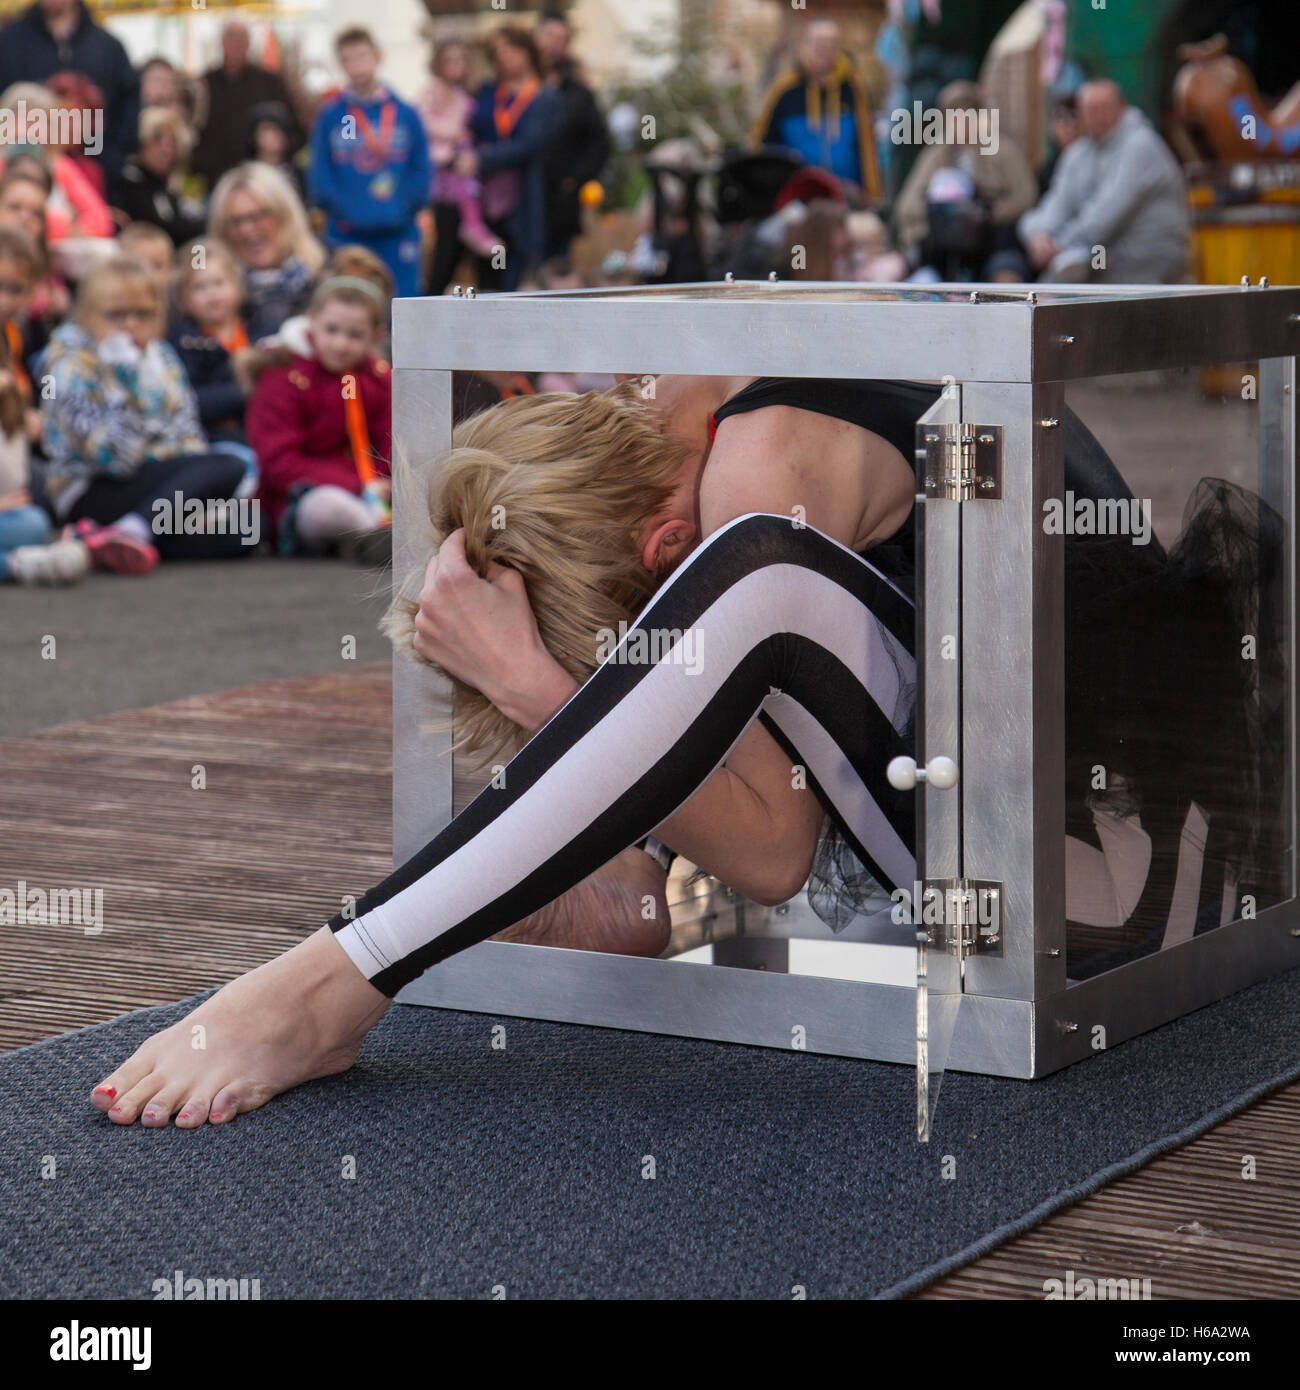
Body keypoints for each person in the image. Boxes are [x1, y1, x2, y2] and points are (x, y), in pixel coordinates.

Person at [87, 357, 1270, 1128]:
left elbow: (769, 853)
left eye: (623, 661)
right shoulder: (704, 399)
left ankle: (332, 979)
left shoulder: (753, 477)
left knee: (764, 584)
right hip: (1089, 882)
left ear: (663, 553)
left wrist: (537, 682)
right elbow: (642, 906)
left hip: (1129, 900)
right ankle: (365, 958)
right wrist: (583, 860)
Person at [39, 252, 254, 570]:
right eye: (116, 315)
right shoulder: (65, 365)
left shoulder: (161, 355)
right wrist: (125, 377)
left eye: (143, 314)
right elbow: (117, 460)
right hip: (91, 488)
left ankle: (113, 541)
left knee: (248, 527)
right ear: (86, 315)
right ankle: (134, 530)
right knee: (229, 464)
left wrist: (183, 475)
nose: (131, 325)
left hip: (160, 483)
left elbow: (188, 434)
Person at [245, 276, 391, 560]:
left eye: (355, 335)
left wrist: (387, 482)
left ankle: (372, 537)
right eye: (332, 330)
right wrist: (357, 483)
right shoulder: (283, 375)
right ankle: (377, 538)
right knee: (327, 506)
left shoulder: (379, 379)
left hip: (373, 491)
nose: (340, 344)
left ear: (377, 336)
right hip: (300, 495)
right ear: (312, 321)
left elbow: (390, 443)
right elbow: (278, 462)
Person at [1017, 79, 1190, 284]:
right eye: (1091, 109)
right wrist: (1038, 235)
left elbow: (1105, 217)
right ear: (1080, 113)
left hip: (1145, 258)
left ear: (1122, 108)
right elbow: (1056, 206)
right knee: (1058, 273)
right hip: (1100, 254)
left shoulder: (1141, 145)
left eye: (1105, 108)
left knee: (1061, 276)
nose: (1098, 116)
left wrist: (1057, 245)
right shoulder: (1078, 153)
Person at [307, 27, 430, 300]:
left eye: (362, 56)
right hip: (347, 234)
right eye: (347, 59)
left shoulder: (405, 113)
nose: (356, 65)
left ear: (377, 57)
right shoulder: (330, 115)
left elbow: (421, 168)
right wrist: (343, 210)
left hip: (398, 232)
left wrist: (403, 208)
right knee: (350, 303)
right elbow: (319, 172)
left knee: (403, 304)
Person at [0, 223, 88, 584]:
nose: (2, 298)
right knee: (33, 521)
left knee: (35, 514)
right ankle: (17, 565)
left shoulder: (13, 336)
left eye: (14, 289)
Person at [892, 80, 1038, 280]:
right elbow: (907, 207)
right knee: (923, 281)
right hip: (945, 251)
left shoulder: (1003, 150)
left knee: (1006, 276)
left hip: (994, 243)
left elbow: (1026, 195)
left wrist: (990, 213)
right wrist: (942, 216)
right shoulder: (935, 156)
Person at [0, 0, 140, 197]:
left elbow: (127, 114)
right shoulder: (8, 43)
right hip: (17, 180)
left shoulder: (108, 48)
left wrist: (109, 162)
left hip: (98, 183)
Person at [463, 25, 563, 292]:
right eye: (498, 51)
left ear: (528, 51)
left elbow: (531, 144)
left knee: (519, 273)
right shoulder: (487, 92)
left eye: (512, 49)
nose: (505, 56)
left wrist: (482, 159)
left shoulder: (545, 97)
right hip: (486, 197)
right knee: (487, 273)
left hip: (525, 198)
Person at [752, 18, 882, 204]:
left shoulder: (852, 88)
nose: (825, 49)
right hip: (796, 195)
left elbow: (866, 144)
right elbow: (763, 143)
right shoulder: (784, 90)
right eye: (819, 42)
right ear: (805, 45)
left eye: (832, 43)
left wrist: (872, 194)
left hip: (847, 196)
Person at [207, 161, 324, 342]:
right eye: (236, 221)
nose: (246, 230)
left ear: (284, 214)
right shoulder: (206, 297)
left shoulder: (329, 274)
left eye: (257, 216)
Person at [417, 36, 498, 297]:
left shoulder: (465, 95)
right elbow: (425, 124)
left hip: (462, 167)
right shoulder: (432, 93)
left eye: (461, 60)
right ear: (438, 63)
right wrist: (454, 135)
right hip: (443, 170)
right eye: (450, 60)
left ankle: (472, 224)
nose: (456, 65)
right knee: (445, 255)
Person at [191, 20, 304, 191]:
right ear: (221, 42)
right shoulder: (204, 85)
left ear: (249, 43)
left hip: (265, 180)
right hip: (218, 180)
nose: (236, 44)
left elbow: (293, 127)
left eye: (242, 38)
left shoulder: (270, 83)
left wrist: (277, 154)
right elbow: (193, 131)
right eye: (231, 37)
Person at [535, 11, 609, 261]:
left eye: (562, 38)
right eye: (550, 36)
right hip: (517, 198)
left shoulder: (578, 93)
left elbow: (600, 142)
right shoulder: (514, 86)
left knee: (555, 269)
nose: (555, 43)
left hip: (558, 201)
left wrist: (574, 179)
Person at [168, 239, 255, 445]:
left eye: (219, 283)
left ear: (237, 286)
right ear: (183, 299)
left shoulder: (258, 328)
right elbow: (188, 401)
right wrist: (243, 392)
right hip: (216, 437)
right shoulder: (184, 342)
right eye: (200, 287)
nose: (212, 294)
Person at [115, 106, 206, 247]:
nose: (165, 149)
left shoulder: (165, 190)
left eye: (172, 143)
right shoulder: (130, 182)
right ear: (141, 142)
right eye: (157, 139)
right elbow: (159, 228)